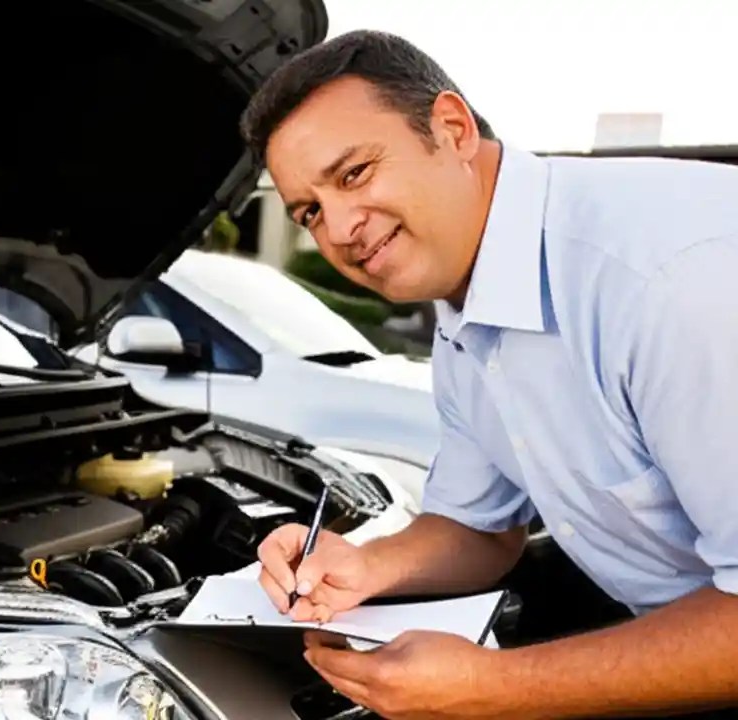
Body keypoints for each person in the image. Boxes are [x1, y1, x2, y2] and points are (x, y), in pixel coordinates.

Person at [243, 29, 738, 719]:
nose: (341, 230)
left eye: (354, 173)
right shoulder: (465, 296)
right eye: (310, 212)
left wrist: (492, 687)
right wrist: (364, 566)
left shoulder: (668, 281)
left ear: (452, 128)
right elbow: (483, 528)